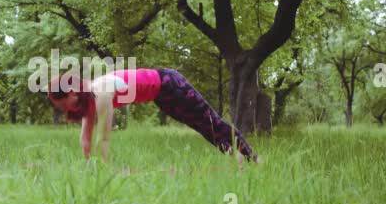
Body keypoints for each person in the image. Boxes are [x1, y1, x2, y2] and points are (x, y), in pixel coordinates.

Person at [47, 68, 257, 164]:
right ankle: (240, 160)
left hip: (168, 82)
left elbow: (103, 137)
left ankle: (252, 160)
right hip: (160, 96)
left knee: (210, 122)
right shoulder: (88, 102)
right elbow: (85, 138)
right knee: (203, 127)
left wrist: (103, 166)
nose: (62, 109)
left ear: (72, 93)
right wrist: (86, 164)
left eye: (61, 104)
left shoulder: (100, 93)